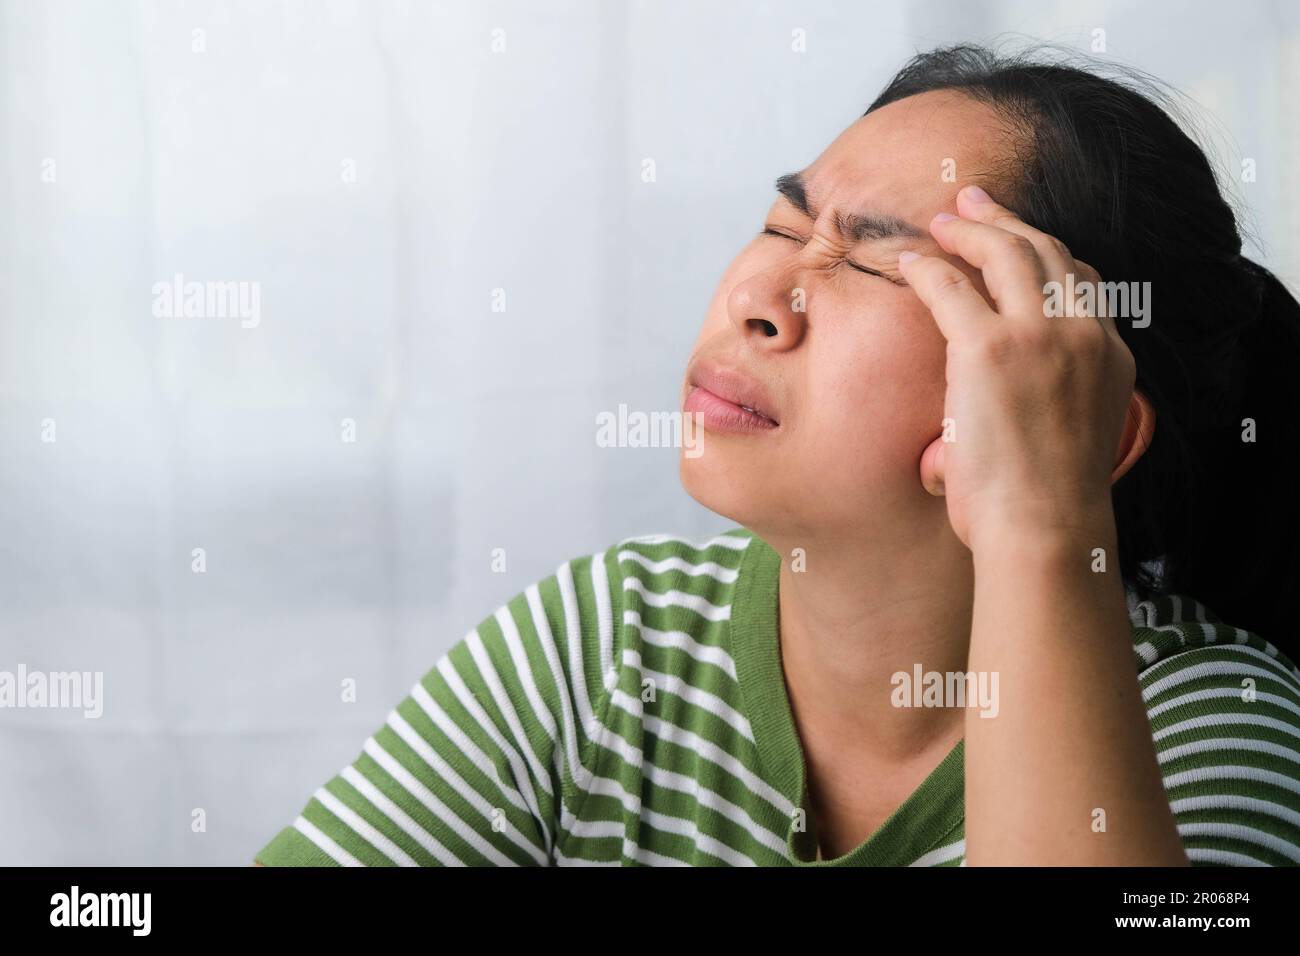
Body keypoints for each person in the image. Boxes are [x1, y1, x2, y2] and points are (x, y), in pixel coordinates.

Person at [255, 44, 1300, 866]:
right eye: (782, 225)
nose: (755, 297)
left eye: (871, 263)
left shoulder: (1216, 731)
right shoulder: (613, 642)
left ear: (1083, 419)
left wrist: (1039, 518)